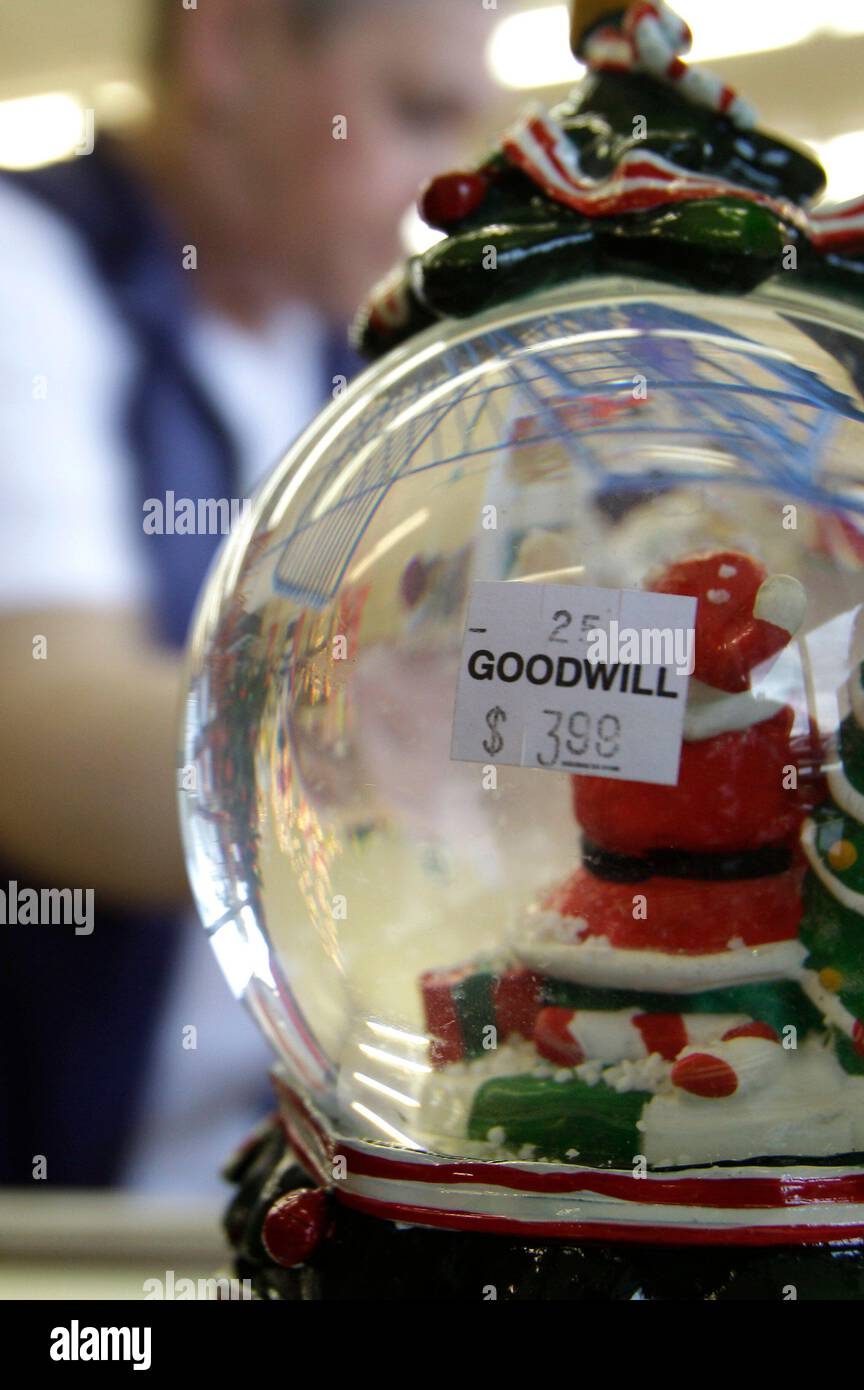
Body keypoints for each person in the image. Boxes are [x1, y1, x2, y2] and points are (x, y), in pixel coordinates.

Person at [0, 0, 494, 1190]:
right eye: (415, 110)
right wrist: (500, 731)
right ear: (224, 45)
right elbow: (39, 734)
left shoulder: (347, 361)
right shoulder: (23, 269)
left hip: (258, 1182)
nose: (454, 185)